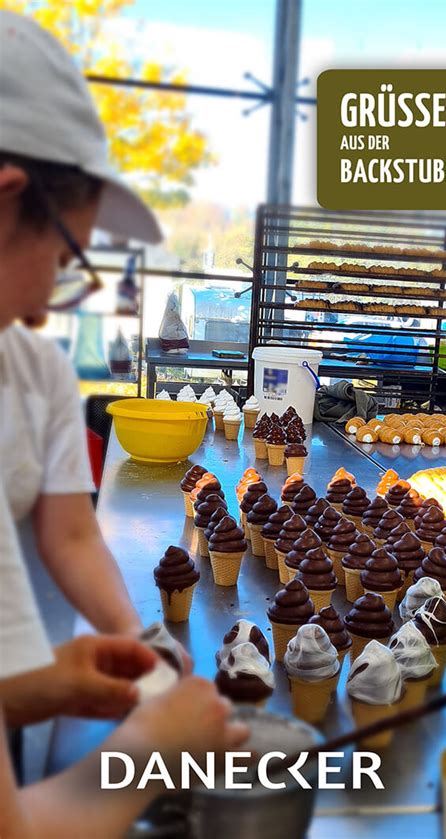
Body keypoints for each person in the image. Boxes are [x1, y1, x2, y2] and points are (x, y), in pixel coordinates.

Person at [0, 10, 248, 834]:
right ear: (7, 205)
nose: (48, 303)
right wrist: (151, 751)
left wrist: (43, 681)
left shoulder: (23, 365)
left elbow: (69, 532)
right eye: (67, 257)